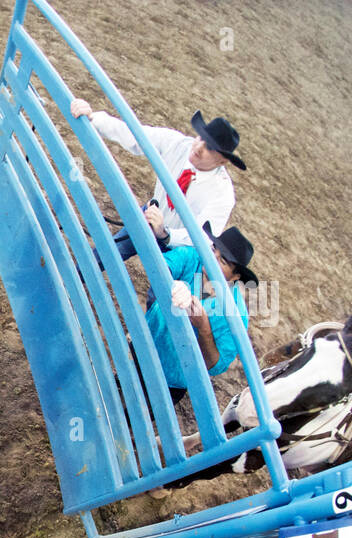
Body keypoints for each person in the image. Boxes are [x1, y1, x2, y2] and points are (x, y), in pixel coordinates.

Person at [70, 98, 244, 261]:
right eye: (201, 138)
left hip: (178, 248)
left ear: (223, 160)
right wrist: (93, 118)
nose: (198, 147)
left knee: (166, 290)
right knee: (107, 253)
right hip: (150, 216)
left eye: (210, 148)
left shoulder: (223, 195)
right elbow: (136, 135)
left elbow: (203, 237)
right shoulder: (178, 144)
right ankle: (70, 280)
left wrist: (166, 235)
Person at [144, 223, 257, 403]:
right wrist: (173, 284)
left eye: (222, 261)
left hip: (169, 381)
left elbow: (214, 365)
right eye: (213, 250)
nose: (211, 259)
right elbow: (159, 265)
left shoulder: (236, 316)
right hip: (142, 348)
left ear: (236, 277)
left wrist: (204, 327)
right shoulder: (193, 256)